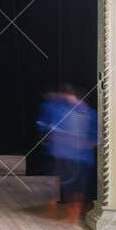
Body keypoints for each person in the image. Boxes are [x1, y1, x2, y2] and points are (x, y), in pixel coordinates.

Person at [37, 85, 98, 219]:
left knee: (77, 186)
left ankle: (74, 215)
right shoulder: (63, 111)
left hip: (81, 157)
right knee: (66, 185)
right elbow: (50, 129)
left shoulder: (91, 114)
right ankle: (67, 214)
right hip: (65, 155)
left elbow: (95, 138)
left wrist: (83, 143)